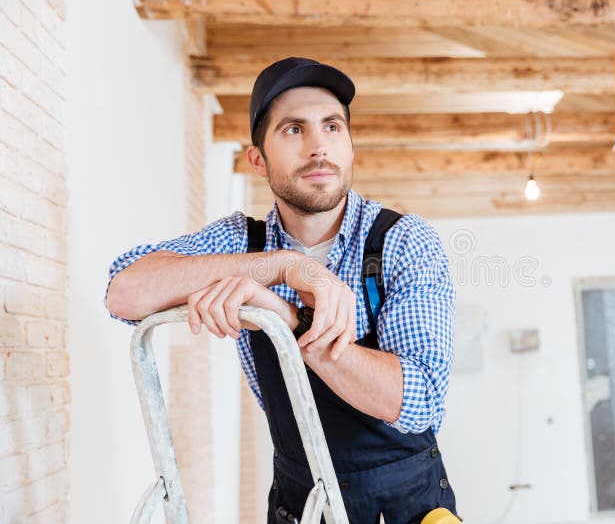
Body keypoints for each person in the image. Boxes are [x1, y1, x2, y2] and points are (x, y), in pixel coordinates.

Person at [105, 57, 458, 523]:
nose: (318, 147)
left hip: (404, 507)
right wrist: (280, 266)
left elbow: (418, 403)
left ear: (351, 146)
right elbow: (124, 293)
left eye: (332, 128)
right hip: (299, 503)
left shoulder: (401, 242)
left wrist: (282, 317)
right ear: (258, 159)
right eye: (294, 130)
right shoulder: (243, 244)